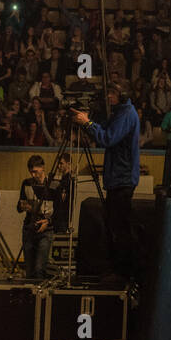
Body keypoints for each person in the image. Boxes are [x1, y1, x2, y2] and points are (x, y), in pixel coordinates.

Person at [72, 82, 140, 280]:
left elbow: (108, 139)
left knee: (119, 229)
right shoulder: (121, 112)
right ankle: (118, 271)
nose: (108, 97)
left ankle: (122, 274)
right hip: (118, 178)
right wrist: (88, 122)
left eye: (112, 93)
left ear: (122, 94)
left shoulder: (126, 114)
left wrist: (87, 123)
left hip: (122, 179)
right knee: (115, 227)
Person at [18, 155, 55, 280]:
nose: (33, 175)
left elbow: (60, 210)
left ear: (42, 168)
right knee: (29, 269)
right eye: (31, 172)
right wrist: (23, 206)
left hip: (46, 228)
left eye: (35, 171)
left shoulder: (53, 185)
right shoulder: (26, 183)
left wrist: (48, 221)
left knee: (39, 268)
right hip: (29, 227)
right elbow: (19, 206)